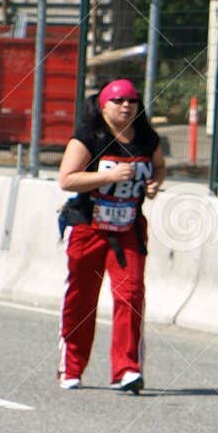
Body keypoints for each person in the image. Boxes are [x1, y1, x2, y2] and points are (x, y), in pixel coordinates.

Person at [56, 78, 165, 393]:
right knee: (82, 299)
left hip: (128, 230)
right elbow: (67, 180)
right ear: (103, 105)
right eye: (118, 101)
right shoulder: (88, 137)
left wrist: (155, 183)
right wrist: (107, 176)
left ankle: (127, 369)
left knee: (130, 295)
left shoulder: (146, 138)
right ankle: (71, 368)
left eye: (131, 100)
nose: (126, 106)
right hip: (89, 228)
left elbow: (159, 166)